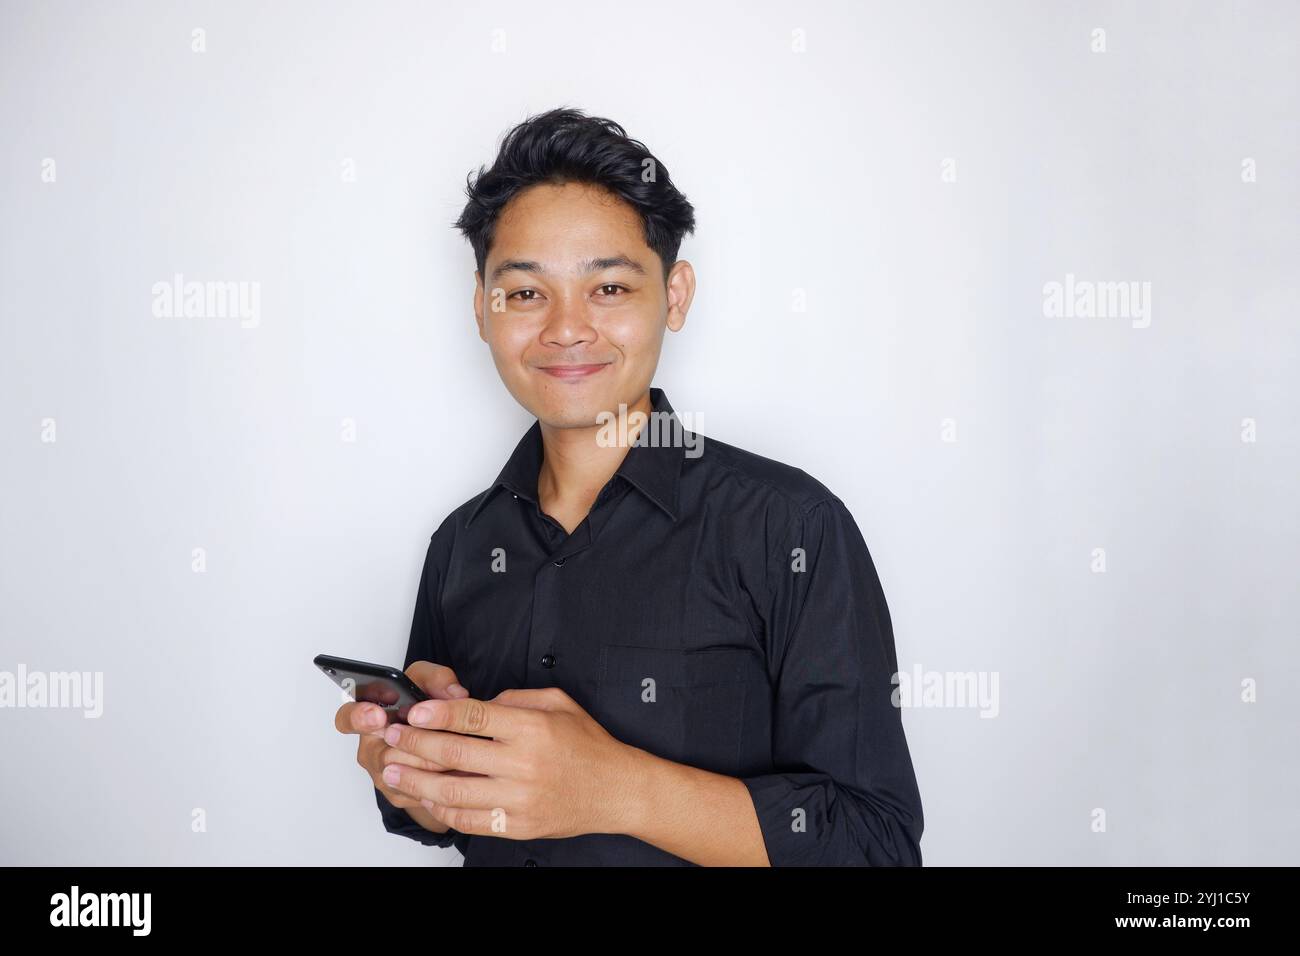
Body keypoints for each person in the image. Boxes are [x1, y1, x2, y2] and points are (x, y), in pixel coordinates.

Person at [333, 107, 923, 866]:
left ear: (674, 297)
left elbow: (875, 843)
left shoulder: (791, 528)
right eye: (524, 293)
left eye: (608, 288)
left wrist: (614, 788)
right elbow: (451, 818)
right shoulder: (461, 543)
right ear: (482, 308)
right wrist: (417, 773)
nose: (567, 329)